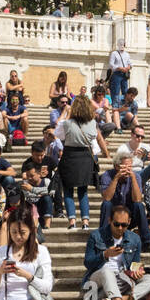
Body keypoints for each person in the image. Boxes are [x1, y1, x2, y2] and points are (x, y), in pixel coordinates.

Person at [81, 205, 150, 300]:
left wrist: (136, 271)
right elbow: (88, 263)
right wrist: (105, 255)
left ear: (129, 222)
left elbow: (135, 263)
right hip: (97, 279)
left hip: (121, 279)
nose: (120, 228)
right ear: (110, 220)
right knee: (107, 271)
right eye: (116, 224)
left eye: (124, 225)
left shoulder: (134, 238)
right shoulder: (96, 235)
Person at [57, 94, 109, 231]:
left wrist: (66, 115)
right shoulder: (92, 123)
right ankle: (85, 222)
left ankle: (72, 221)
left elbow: (59, 134)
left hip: (69, 155)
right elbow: (93, 137)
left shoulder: (67, 123)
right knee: (83, 191)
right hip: (85, 157)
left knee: (68, 191)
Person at [108, 40, 132, 108]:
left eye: (123, 44)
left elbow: (130, 63)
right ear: (118, 44)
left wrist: (128, 67)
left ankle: (125, 105)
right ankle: (115, 105)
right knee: (116, 90)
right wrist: (119, 68)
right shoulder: (114, 53)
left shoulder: (127, 54)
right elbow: (111, 64)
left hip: (124, 74)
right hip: (117, 74)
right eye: (120, 44)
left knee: (125, 90)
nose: (122, 45)